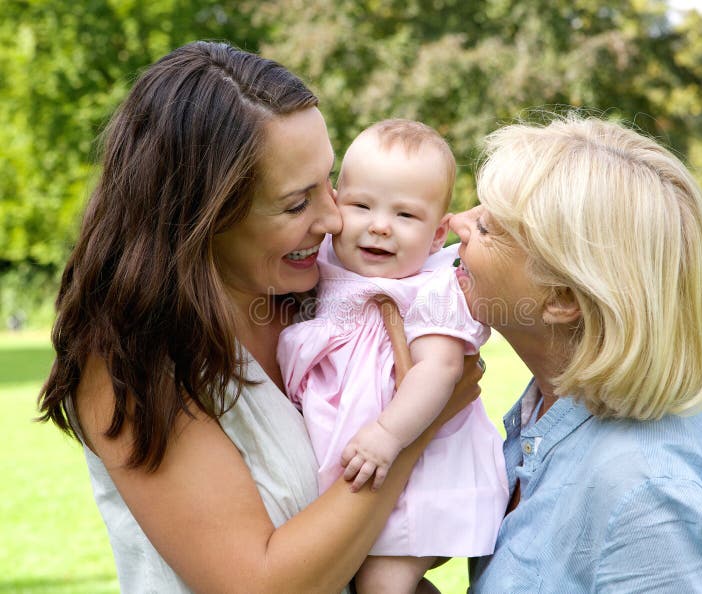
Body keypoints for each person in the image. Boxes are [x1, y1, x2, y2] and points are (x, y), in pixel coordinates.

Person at [36, 41, 484, 594]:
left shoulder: (319, 293)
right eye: (296, 204)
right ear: (202, 214)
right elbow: (261, 584)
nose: (333, 218)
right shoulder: (132, 363)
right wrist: (419, 425)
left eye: (329, 181)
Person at [449, 115, 702, 592]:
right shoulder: (550, 406)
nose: (456, 222)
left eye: (487, 227)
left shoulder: (649, 498)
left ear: (562, 299)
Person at [277, 120, 508, 594]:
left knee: (382, 585)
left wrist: (387, 435)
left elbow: (441, 369)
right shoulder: (325, 260)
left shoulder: (431, 288)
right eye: (361, 205)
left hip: (417, 478)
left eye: (405, 216)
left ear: (437, 233)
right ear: (336, 203)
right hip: (360, 472)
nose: (379, 225)